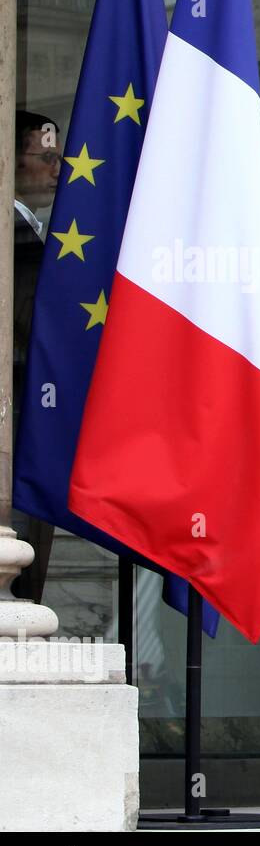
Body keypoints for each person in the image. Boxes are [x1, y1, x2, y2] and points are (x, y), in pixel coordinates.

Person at [10, 110, 61, 605]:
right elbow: (30, 321)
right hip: (21, 412)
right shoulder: (15, 236)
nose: (57, 168)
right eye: (44, 157)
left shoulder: (34, 234)